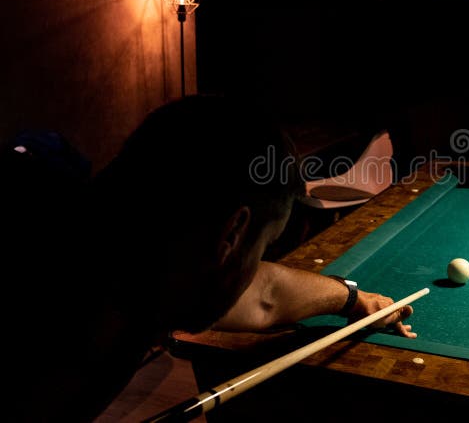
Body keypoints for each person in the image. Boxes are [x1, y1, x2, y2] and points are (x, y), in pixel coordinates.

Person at [3, 94, 417, 422]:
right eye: (259, 250)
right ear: (233, 233)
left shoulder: (149, 263)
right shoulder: (56, 328)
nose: (253, 268)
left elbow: (264, 294)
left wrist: (351, 297)